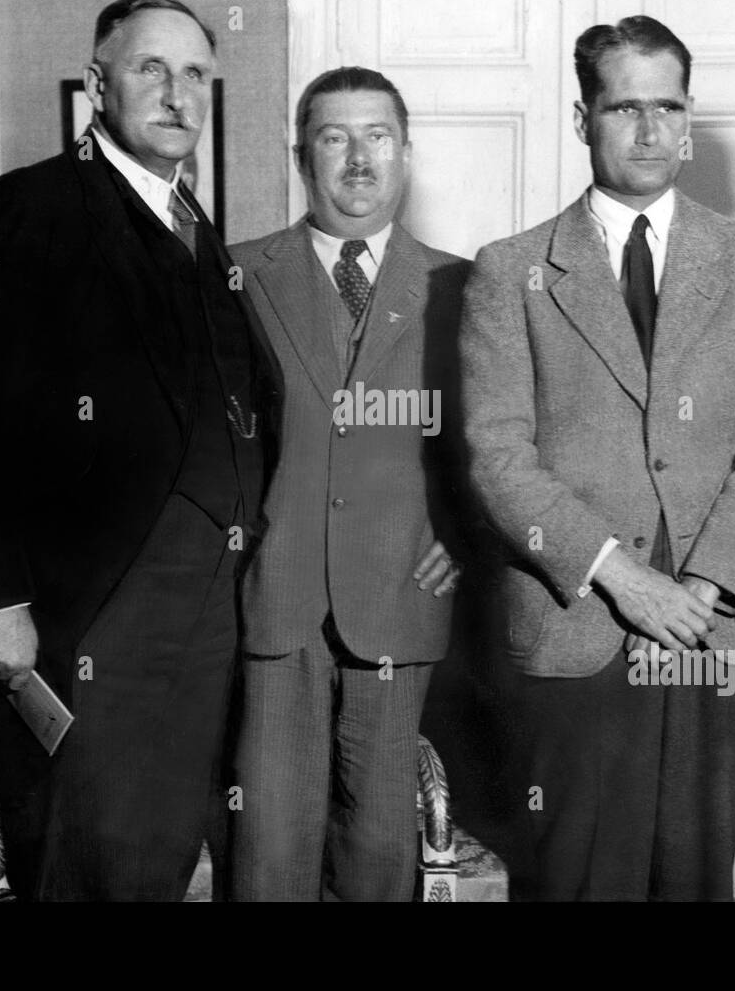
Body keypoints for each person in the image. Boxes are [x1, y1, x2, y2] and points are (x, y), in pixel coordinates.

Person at [0, 0, 273, 901]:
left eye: (195, 73)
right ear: (97, 84)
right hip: (100, 603)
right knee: (86, 853)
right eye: (151, 69)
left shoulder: (192, 222)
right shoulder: (29, 208)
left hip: (211, 606)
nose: (177, 93)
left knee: (160, 849)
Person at [461, 16, 735, 901]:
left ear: (689, 123)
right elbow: (498, 458)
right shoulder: (510, 270)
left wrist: (705, 583)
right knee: (578, 878)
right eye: (624, 109)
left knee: (695, 877)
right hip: (576, 628)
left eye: (668, 108)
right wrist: (621, 574)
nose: (649, 131)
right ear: (583, 121)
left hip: (714, 629)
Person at [229, 67, 469, 901]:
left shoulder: (463, 285)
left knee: (378, 847)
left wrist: (463, 535)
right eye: (335, 138)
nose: (358, 158)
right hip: (275, 594)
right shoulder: (237, 277)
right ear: (302, 157)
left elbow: (501, 441)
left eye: (377, 137)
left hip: (401, 591)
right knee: (269, 845)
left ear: (406, 154)